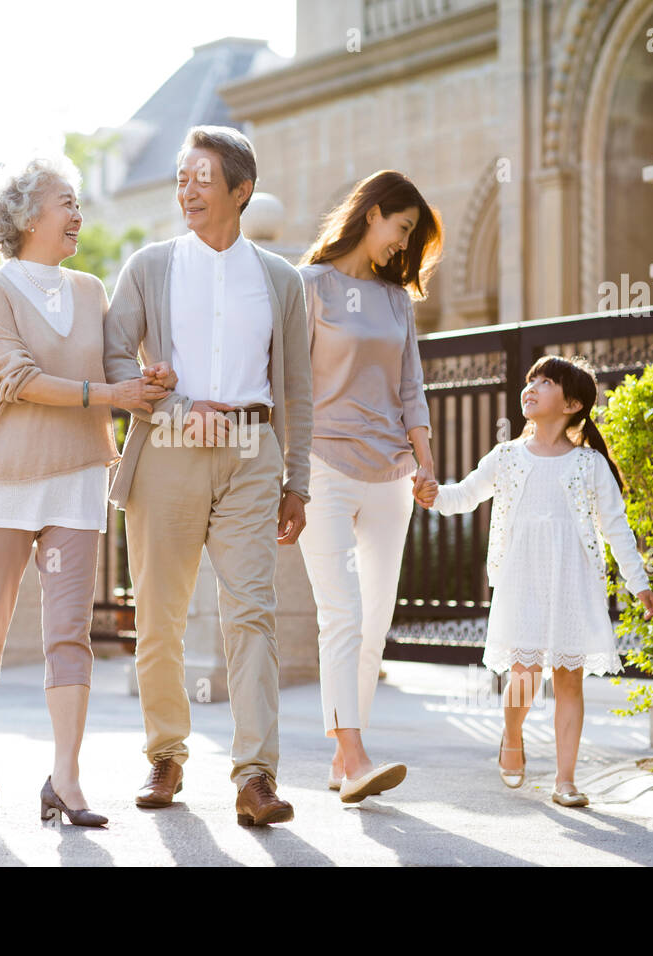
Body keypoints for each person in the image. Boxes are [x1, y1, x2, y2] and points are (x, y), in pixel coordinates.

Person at [0, 155, 167, 827]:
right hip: (3, 480)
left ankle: (66, 777)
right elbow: (12, 376)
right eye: (67, 201)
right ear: (30, 214)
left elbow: (120, 364)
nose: (78, 213)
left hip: (78, 476)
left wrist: (147, 382)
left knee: (70, 631)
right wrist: (108, 394)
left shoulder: (92, 290)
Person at [104, 125, 313, 827]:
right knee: (160, 613)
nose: (187, 190)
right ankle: (165, 753)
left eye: (201, 178)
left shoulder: (281, 279)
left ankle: (256, 775)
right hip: (167, 449)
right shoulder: (150, 266)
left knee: (252, 612)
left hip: (253, 455)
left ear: (240, 190)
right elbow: (111, 360)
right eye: (181, 178)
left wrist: (298, 480)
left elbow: (297, 389)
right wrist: (178, 404)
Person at [420, 355, 653, 807]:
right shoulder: (507, 456)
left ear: (571, 403)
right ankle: (512, 735)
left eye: (544, 382)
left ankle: (565, 781)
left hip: (574, 581)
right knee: (526, 675)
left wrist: (638, 581)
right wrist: (434, 496)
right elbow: (465, 495)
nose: (530, 387)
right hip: (522, 578)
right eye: (530, 380)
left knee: (569, 679)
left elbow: (616, 528)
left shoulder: (590, 465)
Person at [295, 170, 444, 802]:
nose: (403, 246)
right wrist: (287, 474)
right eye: (403, 229)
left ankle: (342, 761)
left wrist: (426, 463)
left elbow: (411, 387)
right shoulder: (309, 287)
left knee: (374, 622)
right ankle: (351, 753)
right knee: (343, 614)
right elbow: (289, 386)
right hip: (323, 467)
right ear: (374, 213)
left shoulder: (394, 301)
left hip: (391, 475)